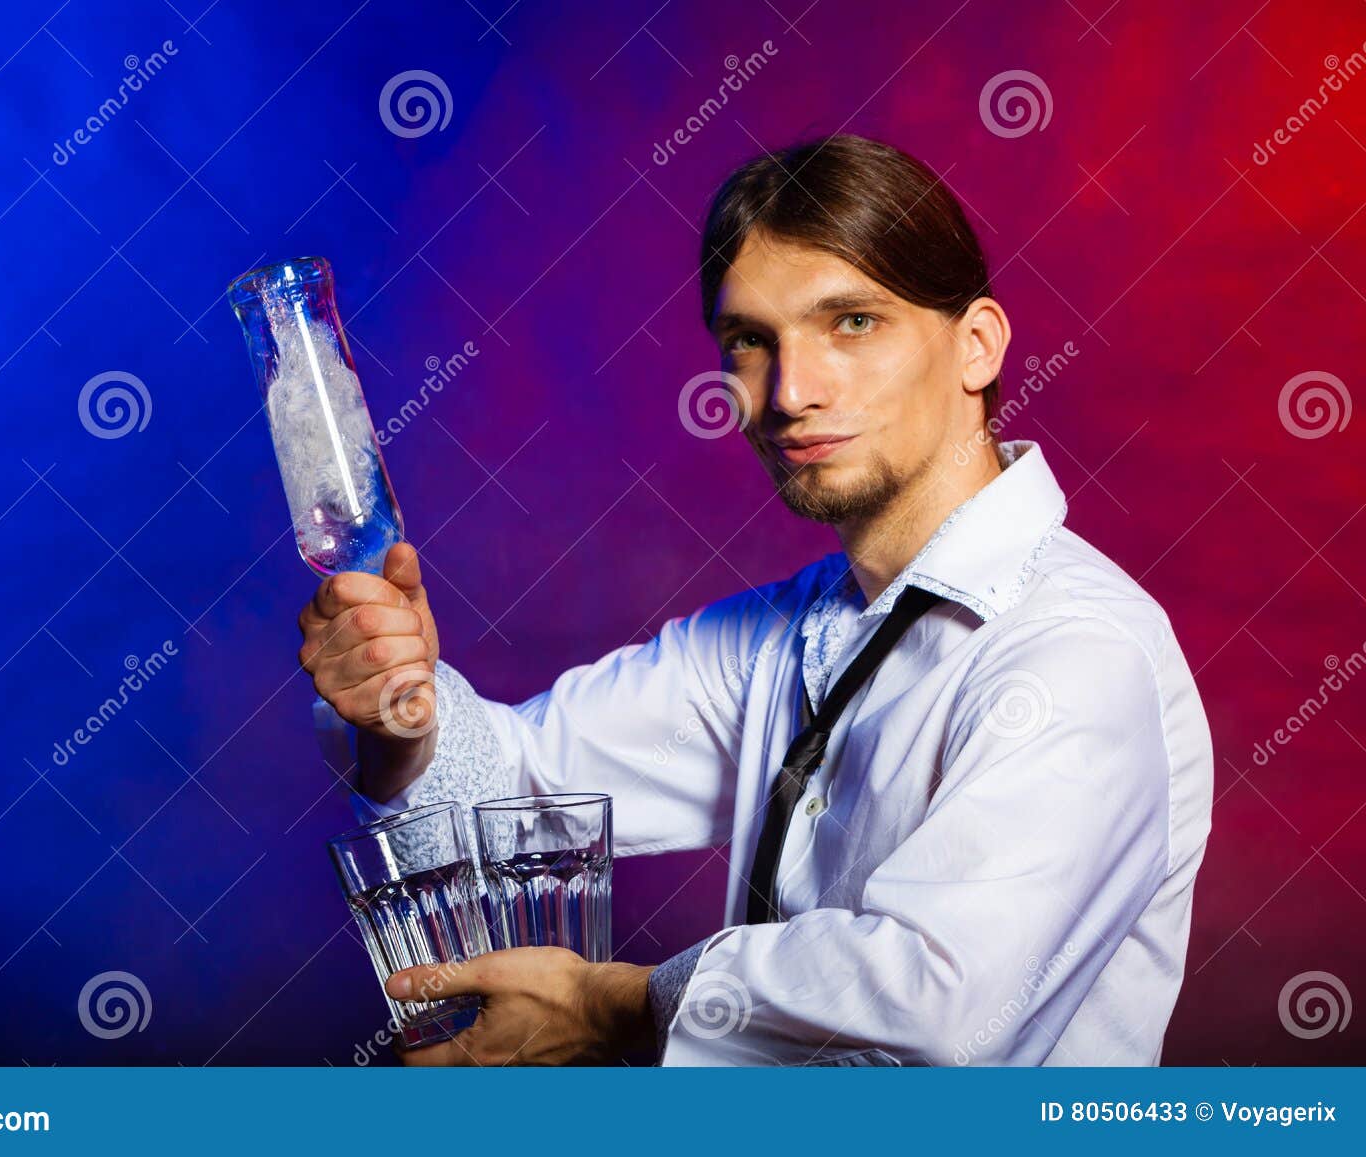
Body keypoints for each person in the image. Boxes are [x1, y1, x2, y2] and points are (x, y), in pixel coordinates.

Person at [301, 134, 1213, 1066]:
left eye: (851, 323)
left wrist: (618, 1007)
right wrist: (401, 712)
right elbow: (514, 793)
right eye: (751, 340)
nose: (790, 391)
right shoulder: (792, 634)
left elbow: (943, 1015)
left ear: (977, 346)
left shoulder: (1073, 649)